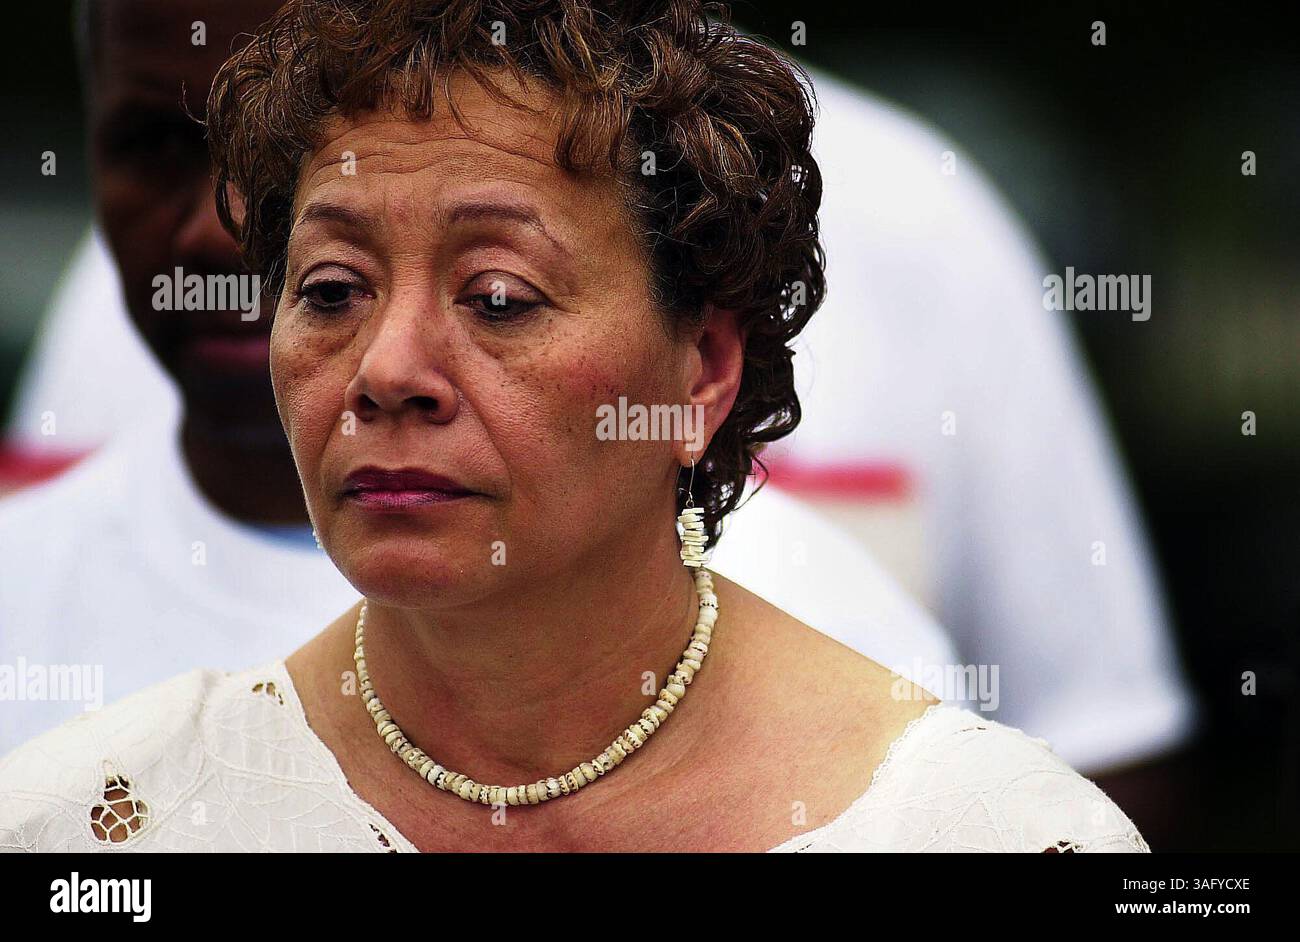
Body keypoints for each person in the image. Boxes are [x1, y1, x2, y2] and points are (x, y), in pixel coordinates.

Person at [0, 0, 1146, 853]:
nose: (388, 372)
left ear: (701, 369)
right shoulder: (100, 825)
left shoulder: (977, 831)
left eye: (498, 299)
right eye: (334, 291)